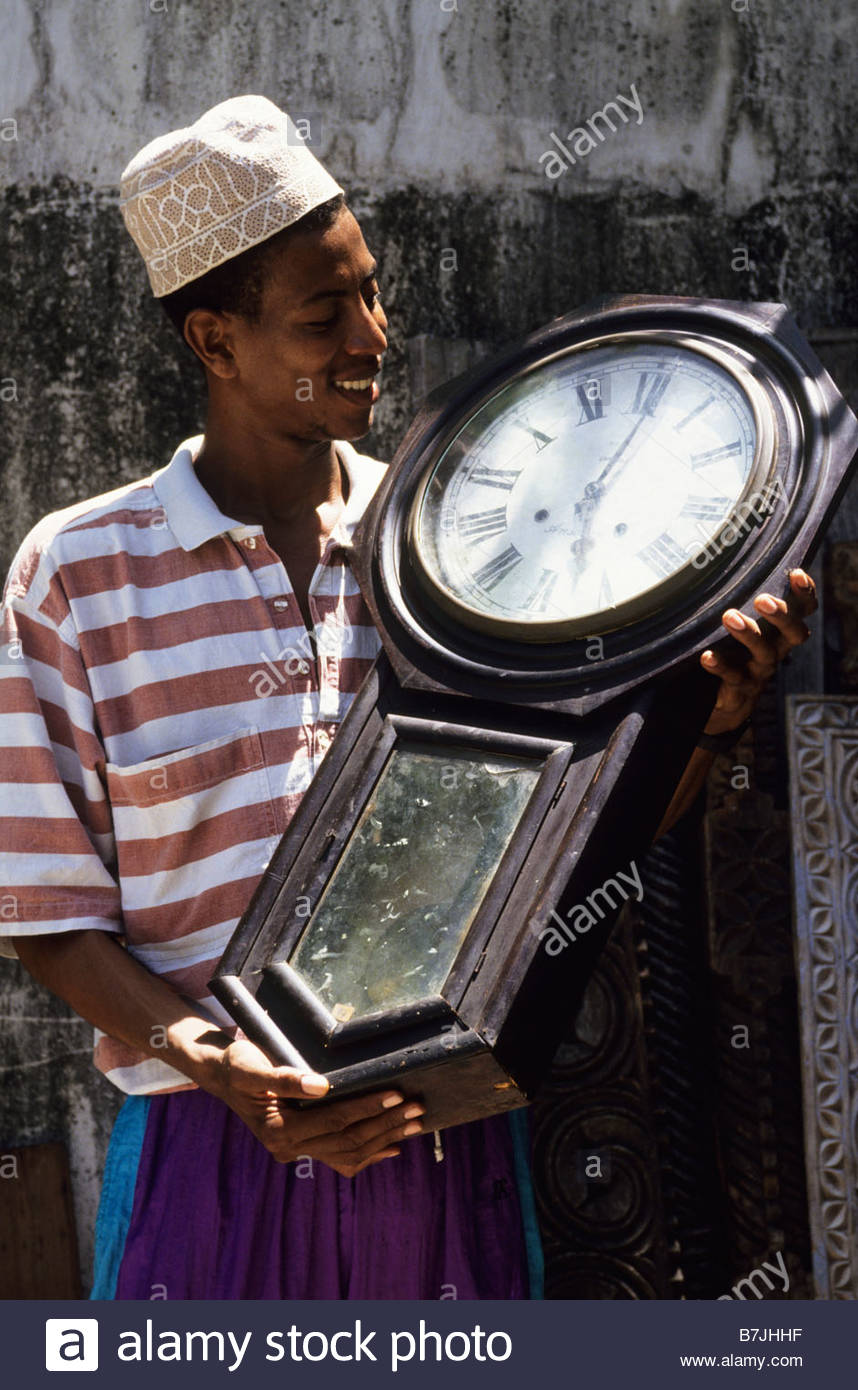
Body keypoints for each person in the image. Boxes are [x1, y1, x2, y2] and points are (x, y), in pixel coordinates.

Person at [0, 96, 816, 1300]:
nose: (371, 335)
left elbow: (583, 837)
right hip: (204, 1156)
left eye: (374, 293)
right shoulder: (77, 575)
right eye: (324, 315)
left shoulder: (442, 551)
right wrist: (219, 1065)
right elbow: (45, 905)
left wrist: (717, 714)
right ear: (215, 343)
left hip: (446, 1142)